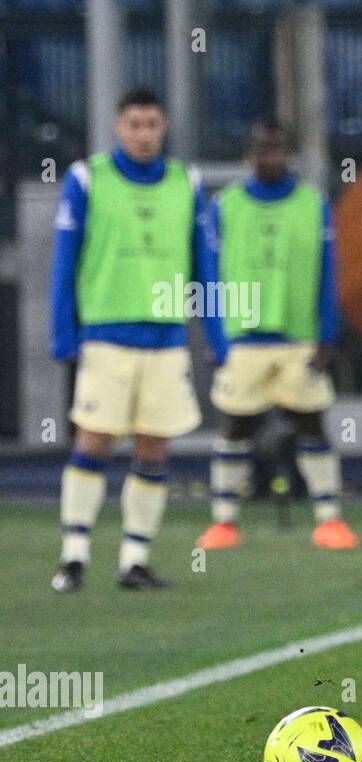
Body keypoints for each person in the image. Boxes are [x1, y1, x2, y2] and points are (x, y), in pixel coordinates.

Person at [50, 87, 226, 592]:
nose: (143, 134)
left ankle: (134, 560)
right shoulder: (88, 179)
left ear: (164, 126)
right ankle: (74, 556)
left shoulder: (186, 182)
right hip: (106, 335)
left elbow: (205, 266)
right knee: (94, 439)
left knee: (154, 447)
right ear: (117, 127)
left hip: (166, 338)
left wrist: (218, 335)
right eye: (134, 124)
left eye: (151, 124)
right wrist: (64, 332)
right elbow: (65, 263)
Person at [196, 117, 358, 552]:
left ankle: (328, 519)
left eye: (279, 149)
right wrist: (217, 338)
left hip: (298, 337)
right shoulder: (225, 207)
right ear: (249, 155)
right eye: (263, 149)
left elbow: (329, 272)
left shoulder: (314, 204)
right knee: (235, 425)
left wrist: (328, 334)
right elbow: (208, 276)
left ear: (289, 154)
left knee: (312, 423)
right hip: (243, 337)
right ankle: (224, 522)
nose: (271, 157)